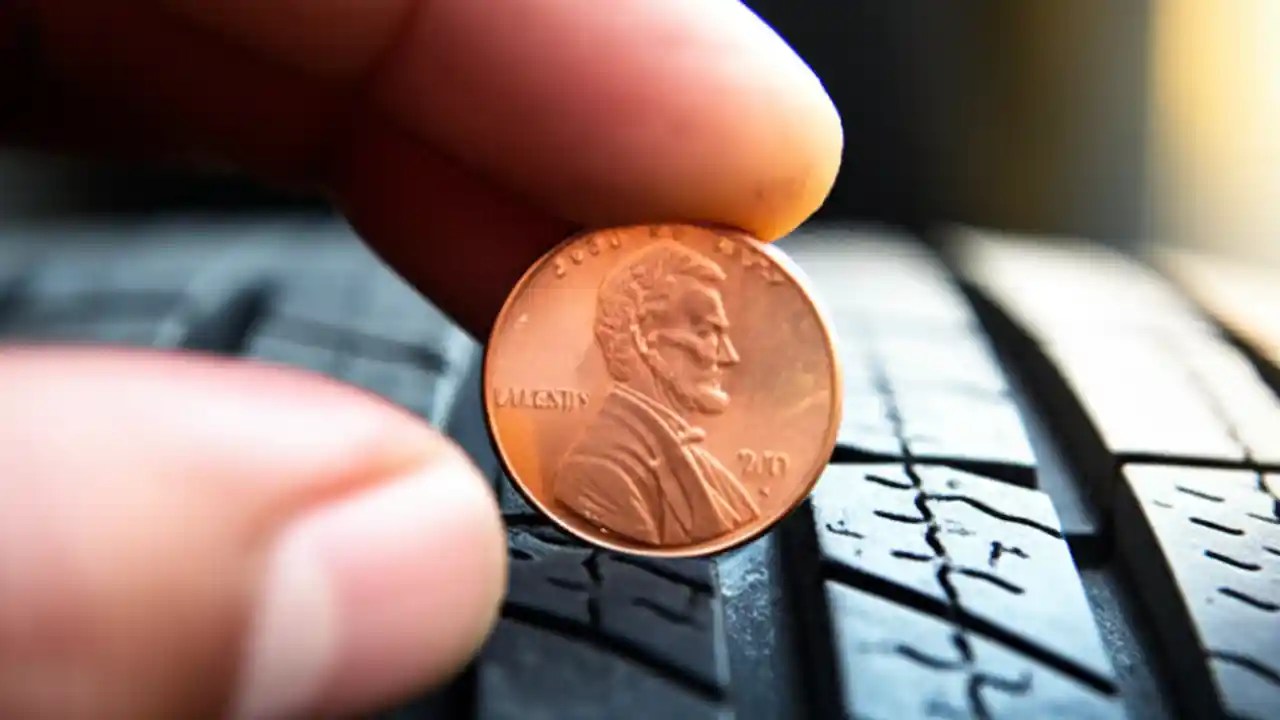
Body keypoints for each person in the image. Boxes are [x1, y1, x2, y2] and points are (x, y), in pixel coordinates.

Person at [0, 2, 841, 718]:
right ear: (647, 344)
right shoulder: (606, 473)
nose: (730, 348)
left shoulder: (689, 468)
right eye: (705, 329)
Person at [555, 241, 760, 545]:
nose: (728, 356)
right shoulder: (599, 472)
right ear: (643, 338)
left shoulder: (693, 457)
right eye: (705, 333)